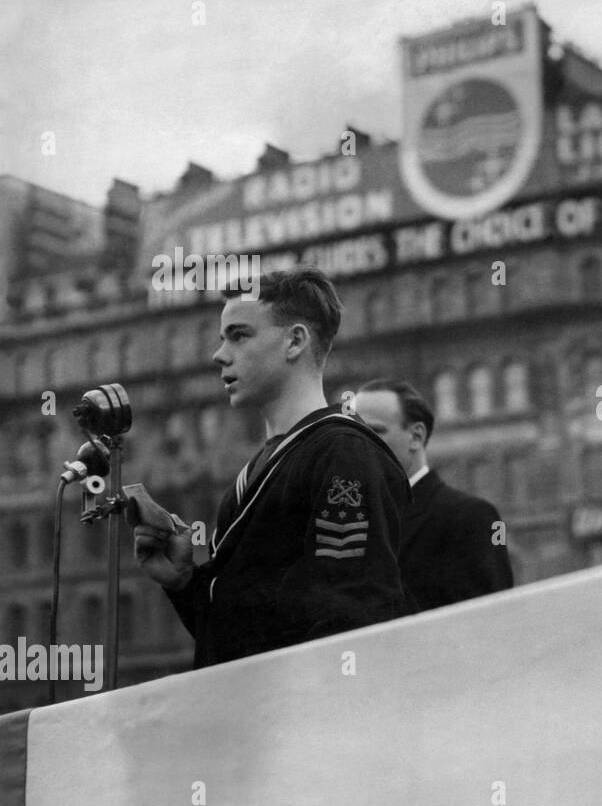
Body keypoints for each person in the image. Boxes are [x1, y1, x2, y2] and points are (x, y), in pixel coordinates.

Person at [132, 268, 409, 668]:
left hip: (306, 721)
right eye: (221, 338)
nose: (218, 354)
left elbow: (350, 619)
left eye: (239, 335)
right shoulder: (254, 472)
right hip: (253, 718)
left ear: (295, 341)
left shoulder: (342, 455)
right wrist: (184, 582)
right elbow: (238, 638)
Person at [351, 379, 513, 611]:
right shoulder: (349, 522)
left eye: (375, 431)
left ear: (416, 436)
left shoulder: (474, 517)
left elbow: (490, 617)